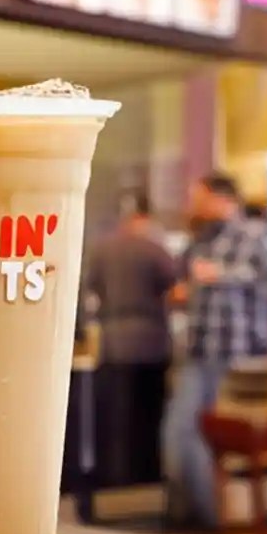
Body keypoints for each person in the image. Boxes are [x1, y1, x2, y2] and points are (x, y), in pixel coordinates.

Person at [162, 173, 267, 530]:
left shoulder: (252, 234)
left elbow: (262, 279)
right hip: (199, 350)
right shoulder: (201, 240)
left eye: (199, 196)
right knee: (181, 431)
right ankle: (197, 517)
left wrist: (217, 274)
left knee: (207, 434)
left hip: (236, 355)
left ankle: (211, 521)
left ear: (221, 198)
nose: (192, 204)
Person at [84, 192, 176, 495]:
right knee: (147, 417)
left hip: (113, 341)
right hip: (150, 341)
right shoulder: (155, 250)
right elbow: (176, 288)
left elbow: (89, 286)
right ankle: (145, 479)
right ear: (144, 218)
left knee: (113, 416)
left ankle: (113, 479)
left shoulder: (100, 250)